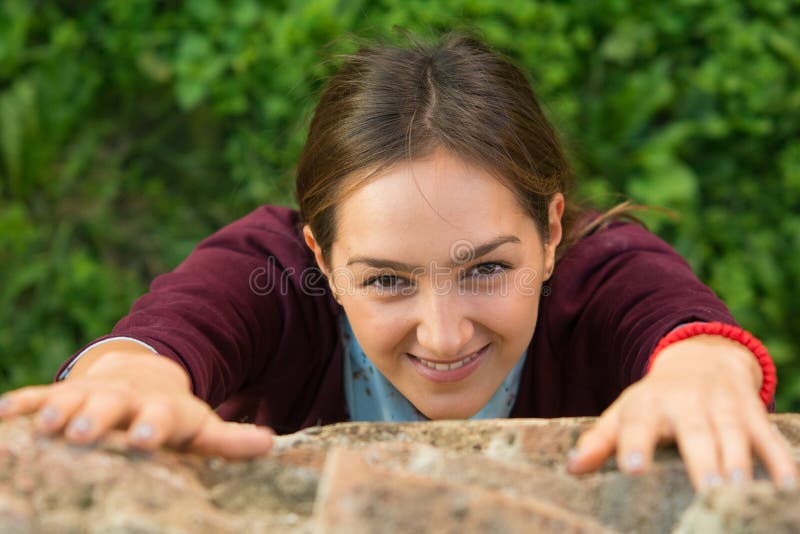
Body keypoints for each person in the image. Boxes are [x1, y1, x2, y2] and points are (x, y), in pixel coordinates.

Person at [0, 32, 794, 492]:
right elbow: (167, 337)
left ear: (553, 231)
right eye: (385, 280)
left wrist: (703, 373)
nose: (444, 336)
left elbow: (680, 328)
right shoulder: (272, 269)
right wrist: (124, 387)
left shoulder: (597, 270)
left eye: (486, 269)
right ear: (321, 254)